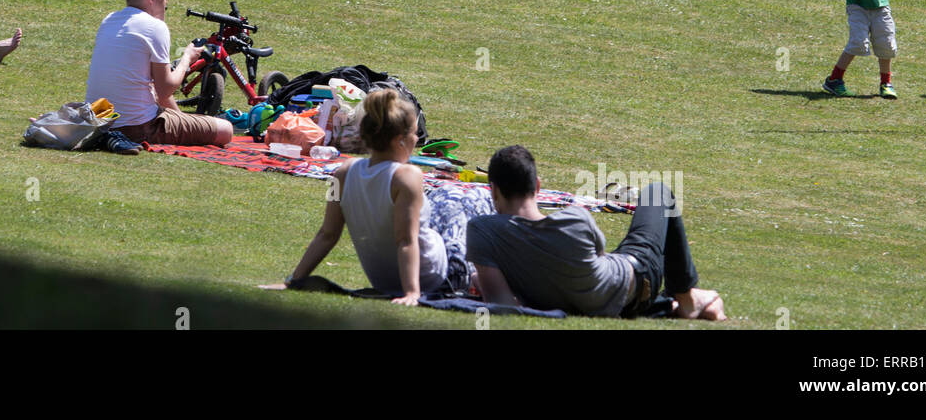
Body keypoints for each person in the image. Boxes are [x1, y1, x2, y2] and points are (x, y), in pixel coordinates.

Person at [281, 90, 495, 305]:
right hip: (441, 277)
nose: (416, 139)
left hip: (384, 281)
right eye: (413, 133)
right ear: (399, 140)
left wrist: (294, 280)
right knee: (470, 196)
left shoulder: (342, 173)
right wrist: (412, 293)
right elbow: (405, 240)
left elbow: (327, 234)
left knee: (442, 197)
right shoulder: (407, 176)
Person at [466, 145, 727, 320]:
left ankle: (677, 301)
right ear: (537, 186)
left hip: (614, 299)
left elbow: (501, 302)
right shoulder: (574, 220)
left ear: (494, 190)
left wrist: (483, 279)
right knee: (657, 192)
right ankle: (687, 298)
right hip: (633, 281)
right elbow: (600, 257)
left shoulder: (482, 231)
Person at [85, 0, 232, 152]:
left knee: (151, 87)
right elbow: (165, 90)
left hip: (98, 119)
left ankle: (180, 120)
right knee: (226, 130)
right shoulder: (154, 28)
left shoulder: (109, 20)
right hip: (136, 127)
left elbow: (156, 85)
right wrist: (187, 57)